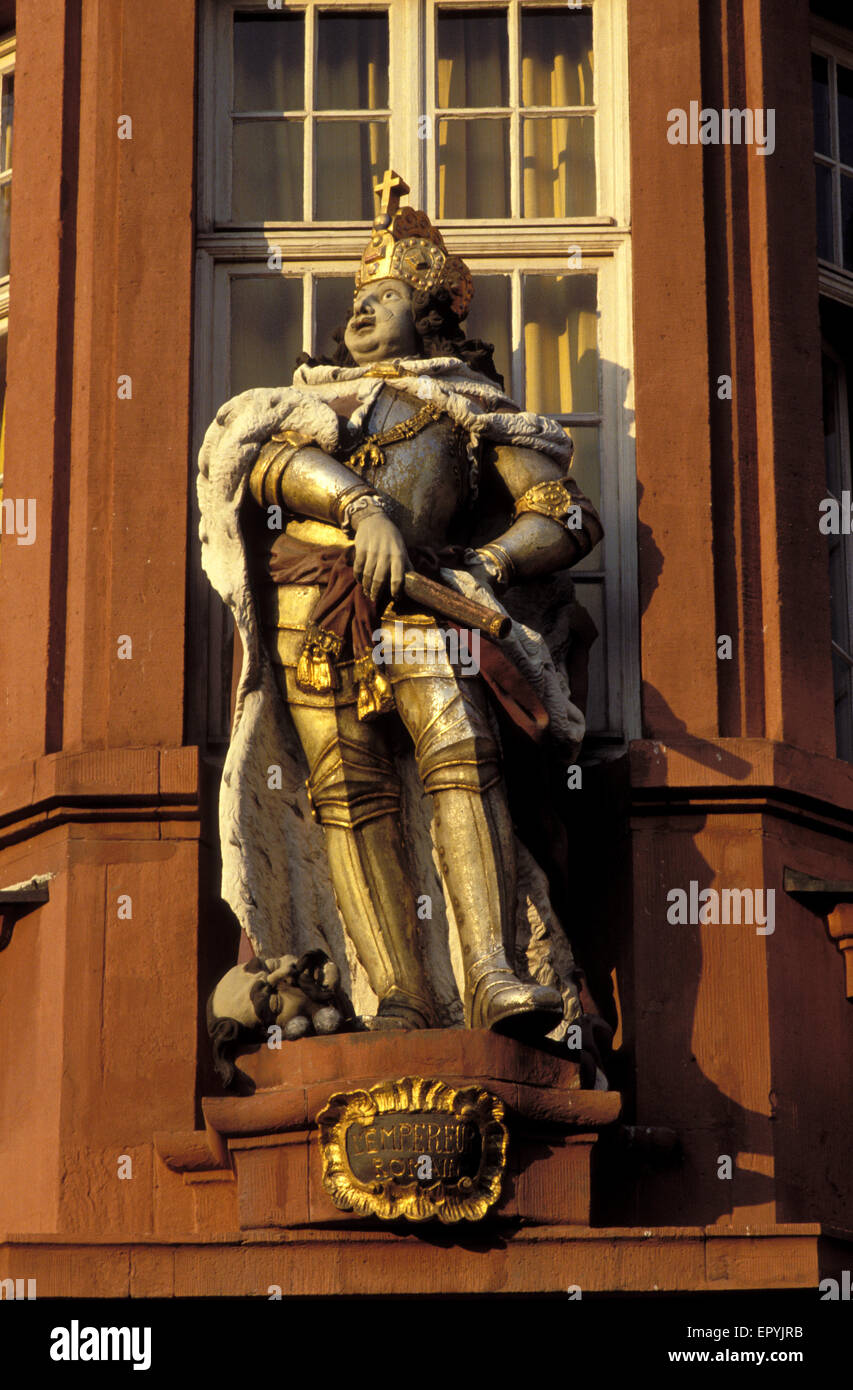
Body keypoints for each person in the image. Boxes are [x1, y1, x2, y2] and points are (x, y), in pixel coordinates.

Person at [198, 171, 603, 1048]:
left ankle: (492, 971)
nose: (362, 310)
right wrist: (360, 505)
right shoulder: (306, 400)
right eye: (358, 297)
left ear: (429, 312)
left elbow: (566, 515)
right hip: (311, 610)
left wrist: (485, 564)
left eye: (383, 296)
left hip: (423, 608)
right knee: (350, 795)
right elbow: (260, 469)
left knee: (460, 754)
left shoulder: (464, 408)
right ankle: (398, 996)